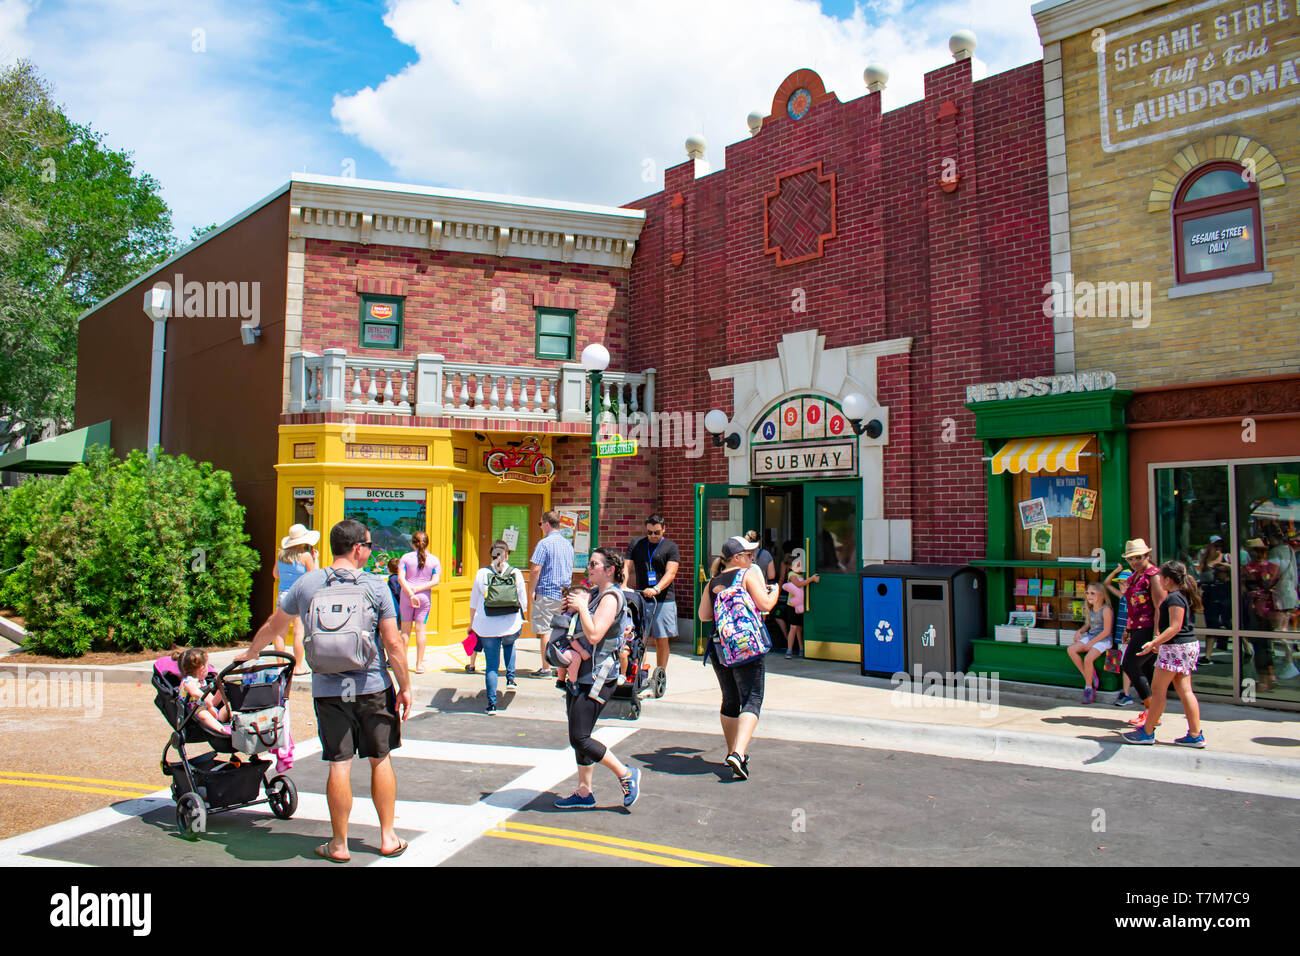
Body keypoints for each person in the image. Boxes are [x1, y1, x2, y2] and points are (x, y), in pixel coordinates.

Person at [244, 519, 412, 863]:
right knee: (380, 759)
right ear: (357, 549)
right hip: (371, 686)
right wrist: (405, 686)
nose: (369, 549)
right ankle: (387, 837)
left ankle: (339, 844)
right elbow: (393, 643)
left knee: (339, 763)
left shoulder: (307, 584)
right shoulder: (375, 586)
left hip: (328, 689)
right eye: (368, 544)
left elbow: (276, 624)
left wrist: (250, 653)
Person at [552, 547, 642, 810]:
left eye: (594, 564)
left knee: (579, 737)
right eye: (589, 564)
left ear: (609, 570)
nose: (589, 568)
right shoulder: (595, 594)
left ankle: (626, 774)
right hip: (581, 674)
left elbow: (594, 635)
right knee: (580, 734)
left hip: (598, 676)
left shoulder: (611, 597)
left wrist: (581, 608)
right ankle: (584, 791)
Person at [696, 535, 780, 781]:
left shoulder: (712, 582)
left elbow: (703, 616)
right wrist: (773, 592)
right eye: (748, 554)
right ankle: (739, 753)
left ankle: (731, 751)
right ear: (737, 557)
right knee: (752, 698)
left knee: (730, 699)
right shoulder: (747, 575)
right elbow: (764, 605)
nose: (752, 558)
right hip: (746, 646)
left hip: (720, 647)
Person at [1122, 561, 1206, 747]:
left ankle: (1147, 732)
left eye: (1160, 577)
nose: (1158, 580)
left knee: (1158, 692)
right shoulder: (1182, 595)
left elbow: (1175, 627)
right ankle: (1195, 734)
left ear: (1167, 579)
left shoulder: (1174, 598)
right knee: (1185, 690)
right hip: (1185, 647)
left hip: (1175, 648)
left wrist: (1154, 642)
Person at [469, 540, 527, 714]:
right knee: (509, 643)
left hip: (486, 626)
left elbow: (473, 602)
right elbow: (522, 601)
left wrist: (471, 624)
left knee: (491, 665)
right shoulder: (516, 573)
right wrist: (521, 618)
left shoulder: (481, 574)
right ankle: (510, 679)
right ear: (507, 554)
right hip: (510, 623)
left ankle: (491, 704)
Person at [623, 515, 681, 680]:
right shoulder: (637, 544)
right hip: (641, 597)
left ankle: (660, 674)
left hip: (663, 599)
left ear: (664, 529)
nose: (653, 536)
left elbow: (671, 572)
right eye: (649, 532)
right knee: (640, 638)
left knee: (661, 638)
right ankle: (639, 671)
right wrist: (624, 585)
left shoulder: (671, 547)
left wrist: (656, 588)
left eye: (656, 532)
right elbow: (627, 566)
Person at [1116, 539, 1165, 728]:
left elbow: (1159, 605)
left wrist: (1156, 635)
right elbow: (1131, 606)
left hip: (1148, 628)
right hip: (1136, 627)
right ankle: (1151, 712)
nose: (1135, 561)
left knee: (1129, 664)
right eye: (1131, 559)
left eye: (1138, 557)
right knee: (1145, 670)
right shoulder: (1134, 577)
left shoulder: (1153, 576)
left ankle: (1152, 710)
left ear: (1147, 556)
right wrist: (1128, 628)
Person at [529, 511, 574, 679]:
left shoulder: (544, 544)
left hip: (547, 592)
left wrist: (532, 590)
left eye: (540, 524)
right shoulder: (567, 544)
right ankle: (560, 665)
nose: (540, 527)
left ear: (547, 524)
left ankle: (546, 667)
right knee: (561, 631)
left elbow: (535, 569)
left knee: (546, 630)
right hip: (564, 594)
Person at [273, 523, 319, 676]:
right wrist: (315, 559)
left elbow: (275, 574)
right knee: (299, 632)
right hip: (298, 595)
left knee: (280, 633)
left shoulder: (281, 555)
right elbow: (314, 576)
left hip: (283, 595)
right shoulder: (305, 556)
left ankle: (280, 665)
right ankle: (298, 666)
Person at [398, 531, 440, 674]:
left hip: (406, 596)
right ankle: (419, 664)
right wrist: (419, 589)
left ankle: (402, 663)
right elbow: (435, 581)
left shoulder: (405, 558)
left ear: (412, 543)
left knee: (405, 631)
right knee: (421, 630)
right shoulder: (434, 560)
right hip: (424, 597)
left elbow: (401, 579)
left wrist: (410, 592)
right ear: (427, 543)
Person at [1065, 582, 1114, 703]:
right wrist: (1079, 631)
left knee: (1088, 658)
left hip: (1103, 639)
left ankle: (1088, 687)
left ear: (1102, 595)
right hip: (1091, 636)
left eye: (1093, 593)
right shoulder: (1091, 609)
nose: (1089, 596)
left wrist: (1091, 643)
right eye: (1087, 593)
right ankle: (1088, 675)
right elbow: (1088, 624)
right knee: (1071, 649)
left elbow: (1106, 631)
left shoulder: (1106, 609)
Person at [175, 648, 229, 735]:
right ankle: (223, 731)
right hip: (195, 713)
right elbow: (194, 692)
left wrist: (220, 690)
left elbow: (213, 702)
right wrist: (209, 704)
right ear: (202, 668)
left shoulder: (202, 682)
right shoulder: (188, 681)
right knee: (204, 714)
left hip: (212, 712)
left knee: (230, 704)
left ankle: (237, 726)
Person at [782, 557, 820, 659]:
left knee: (800, 628)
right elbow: (798, 584)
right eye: (796, 565)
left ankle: (801, 648)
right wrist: (811, 579)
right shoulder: (791, 575)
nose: (799, 567)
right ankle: (789, 649)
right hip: (792, 606)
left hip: (802, 606)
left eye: (800, 565)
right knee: (793, 627)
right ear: (790, 567)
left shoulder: (804, 575)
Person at [385, 558, 403, 629]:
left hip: (395, 605)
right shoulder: (402, 578)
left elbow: (395, 592)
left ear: (388, 569)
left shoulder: (392, 579)